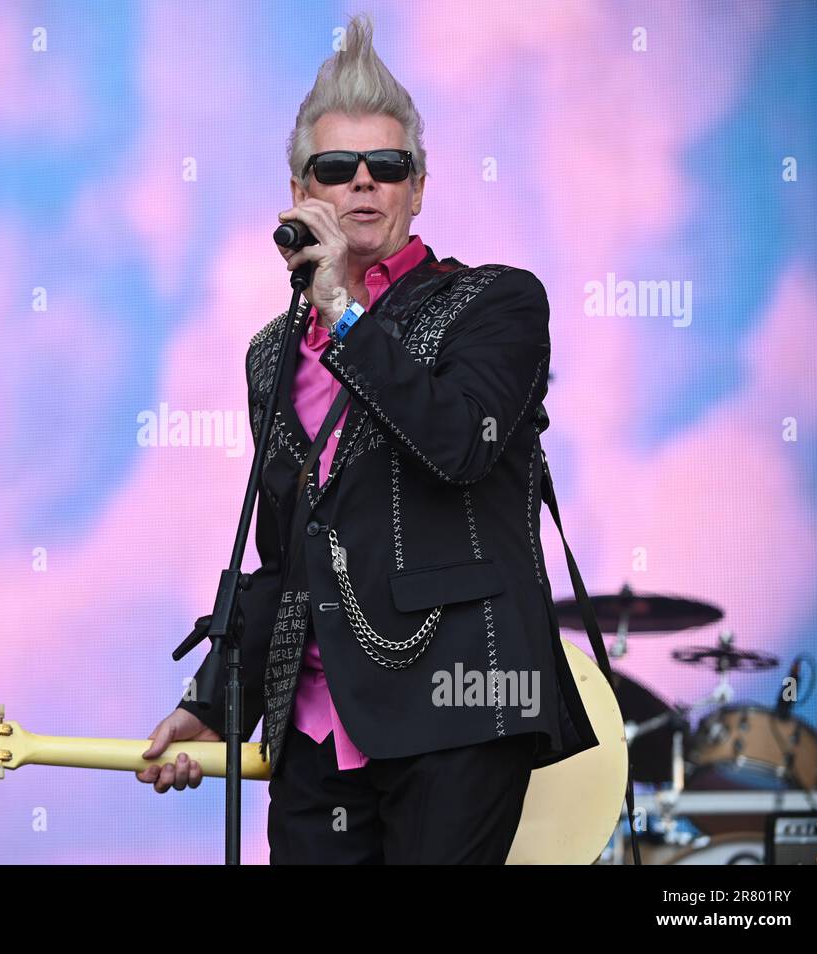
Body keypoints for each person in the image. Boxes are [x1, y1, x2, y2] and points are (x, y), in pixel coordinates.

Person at [136, 13, 597, 864]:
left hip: (459, 705)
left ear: (418, 187)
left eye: (387, 168)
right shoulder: (273, 352)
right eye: (337, 168)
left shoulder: (497, 303)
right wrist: (214, 701)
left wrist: (345, 310)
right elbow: (288, 553)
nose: (363, 185)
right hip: (314, 727)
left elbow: (458, 443)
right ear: (301, 188)